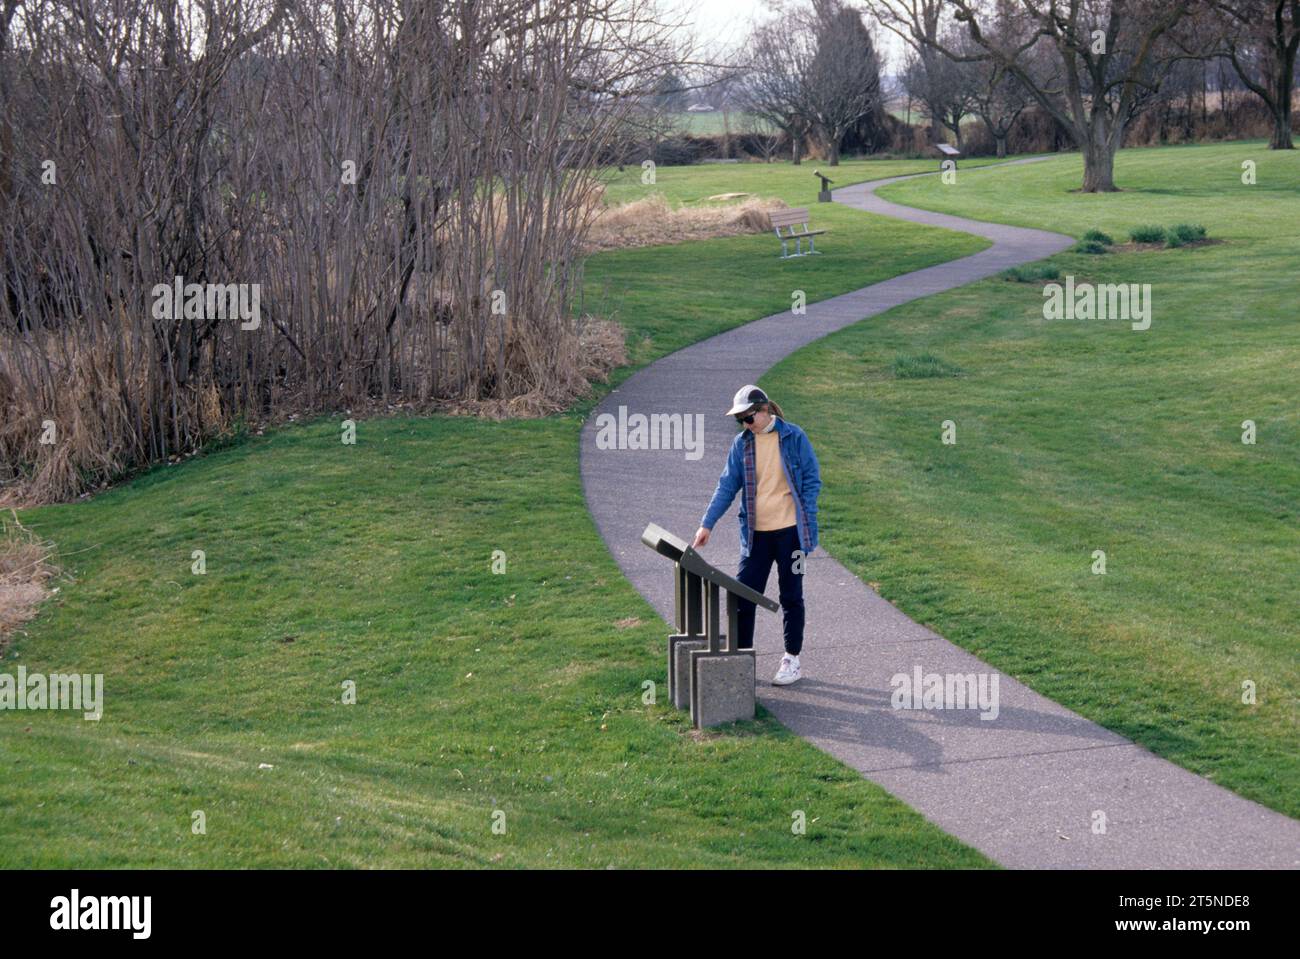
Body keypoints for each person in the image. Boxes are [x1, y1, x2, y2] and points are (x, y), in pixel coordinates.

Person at [692, 384, 821, 685]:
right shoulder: (742, 445)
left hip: (791, 535)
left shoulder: (794, 437)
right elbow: (726, 486)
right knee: (743, 596)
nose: (744, 425)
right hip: (756, 537)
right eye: (740, 421)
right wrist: (706, 524)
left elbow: (813, 481)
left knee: (791, 596)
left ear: (764, 411)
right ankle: (741, 660)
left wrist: (808, 526)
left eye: (748, 418)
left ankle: (792, 660)